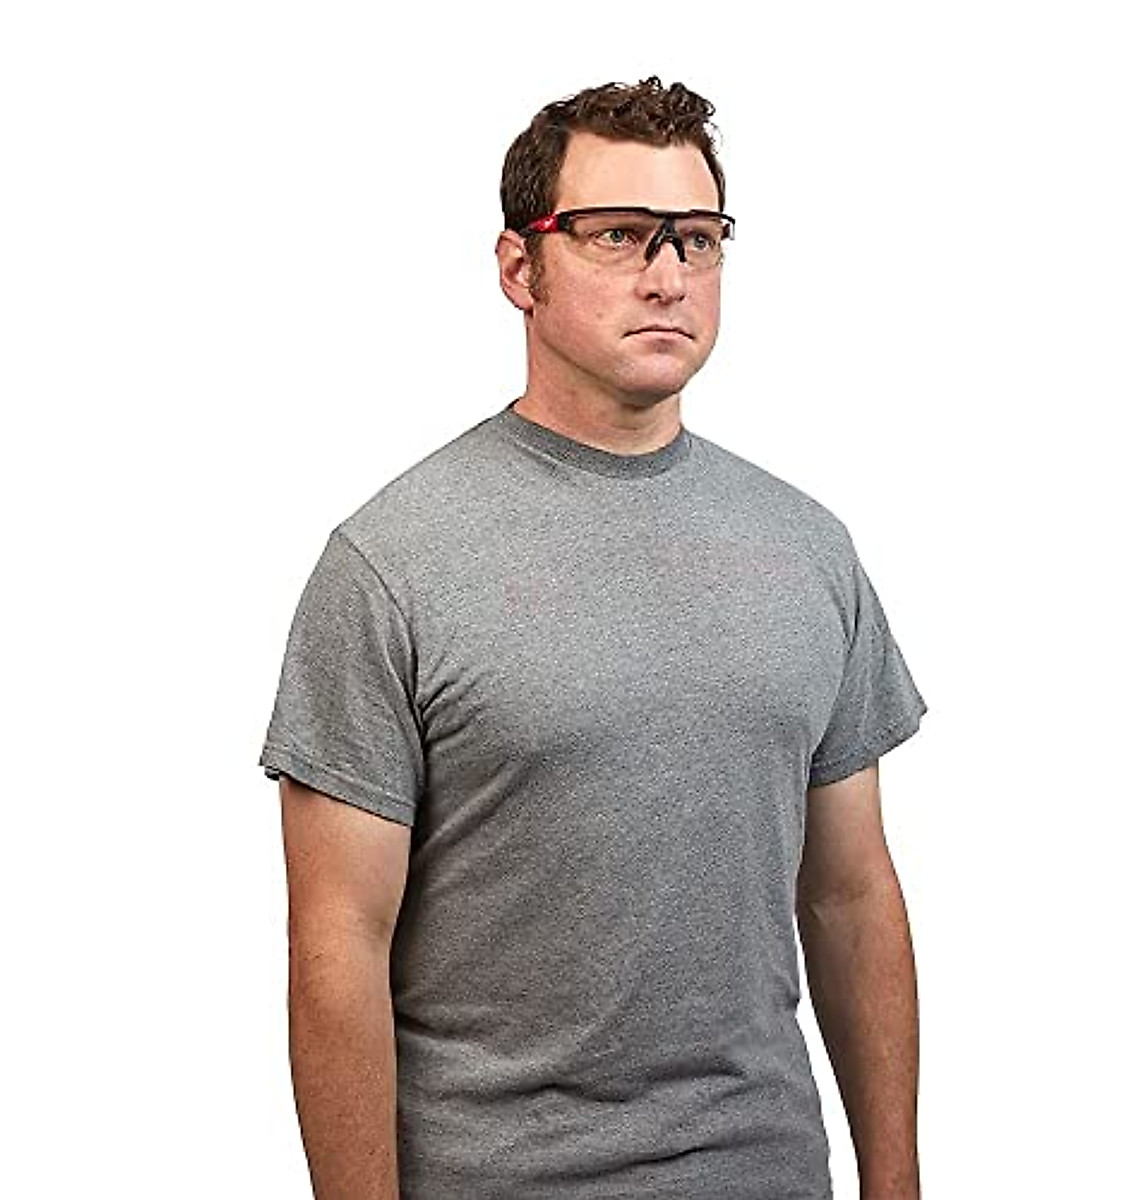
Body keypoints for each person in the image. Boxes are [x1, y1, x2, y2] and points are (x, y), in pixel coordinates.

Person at [259, 75, 928, 1200]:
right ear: (519, 268)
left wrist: (896, 1182)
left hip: (767, 1173)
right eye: (618, 235)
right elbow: (337, 945)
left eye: (696, 239)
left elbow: (851, 895)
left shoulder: (810, 549)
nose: (667, 276)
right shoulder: (390, 566)